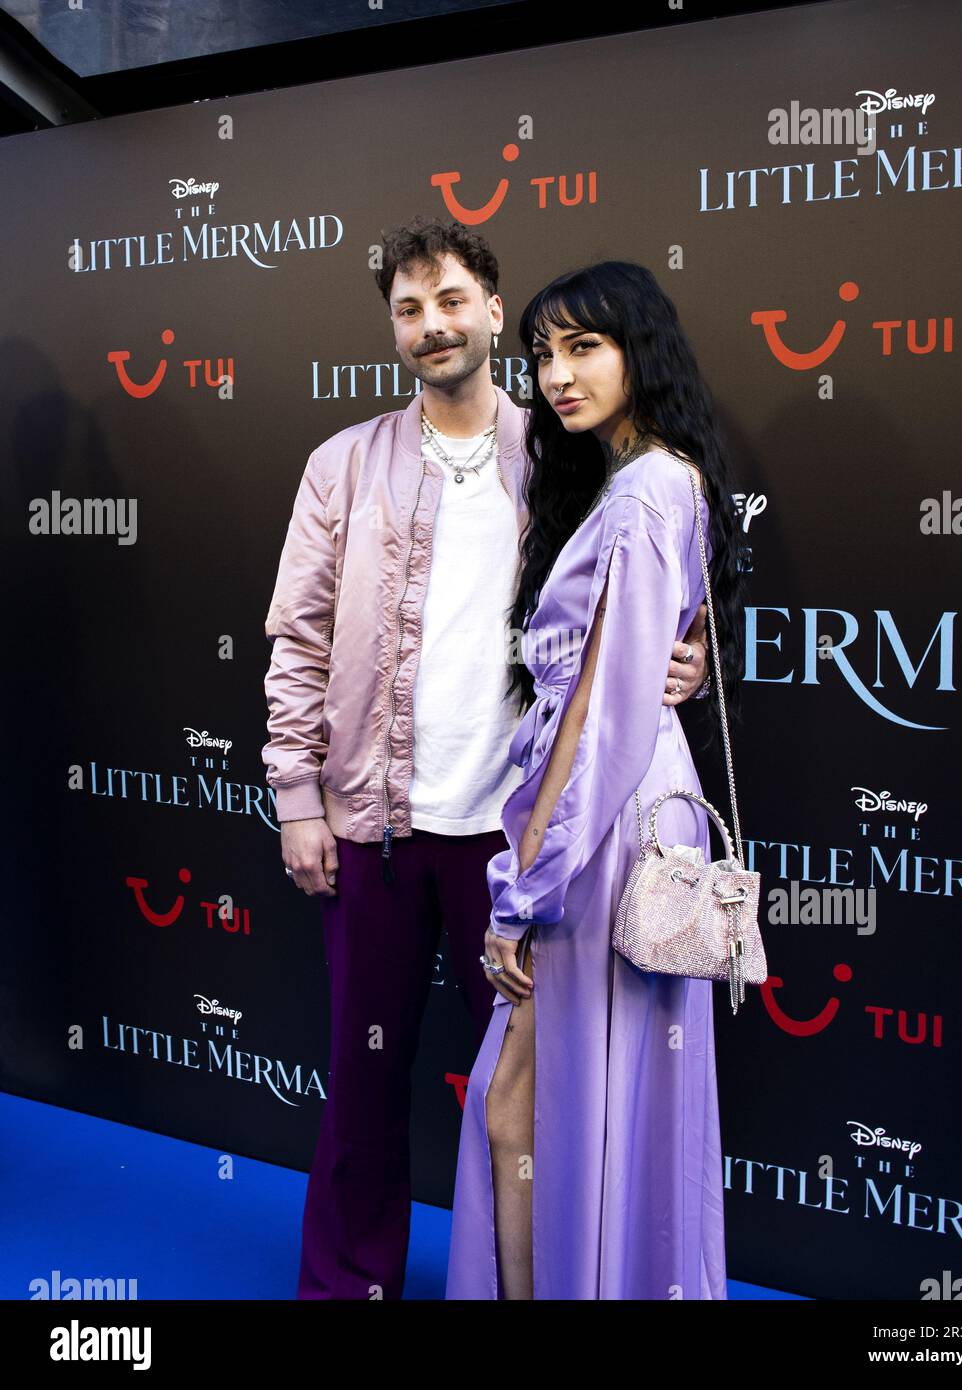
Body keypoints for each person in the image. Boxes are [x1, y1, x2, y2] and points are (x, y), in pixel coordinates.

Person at [260, 217, 712, 1300]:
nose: (432, 325)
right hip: (376, 823)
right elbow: (299, 638)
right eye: (409, 309)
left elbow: (623, 618)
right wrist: (296, 795)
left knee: (535, 1100)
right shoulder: (343, 466)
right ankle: (347, 1287)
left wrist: (684, 660)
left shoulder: (564, 452)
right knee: (362, 1086)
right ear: (391, 328)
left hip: (521, 834)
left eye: (452, 300)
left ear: (493, 309)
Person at [445, 259, 747, 1300]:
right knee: (543, 1098)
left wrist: (522, 892)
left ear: (639, 351)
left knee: (518, 1101)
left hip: (601, 828)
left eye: (585, 347)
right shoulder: (645, 482)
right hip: (620, 809)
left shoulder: (647, 489)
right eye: (543, 355)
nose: (558, 375)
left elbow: (594, 716)